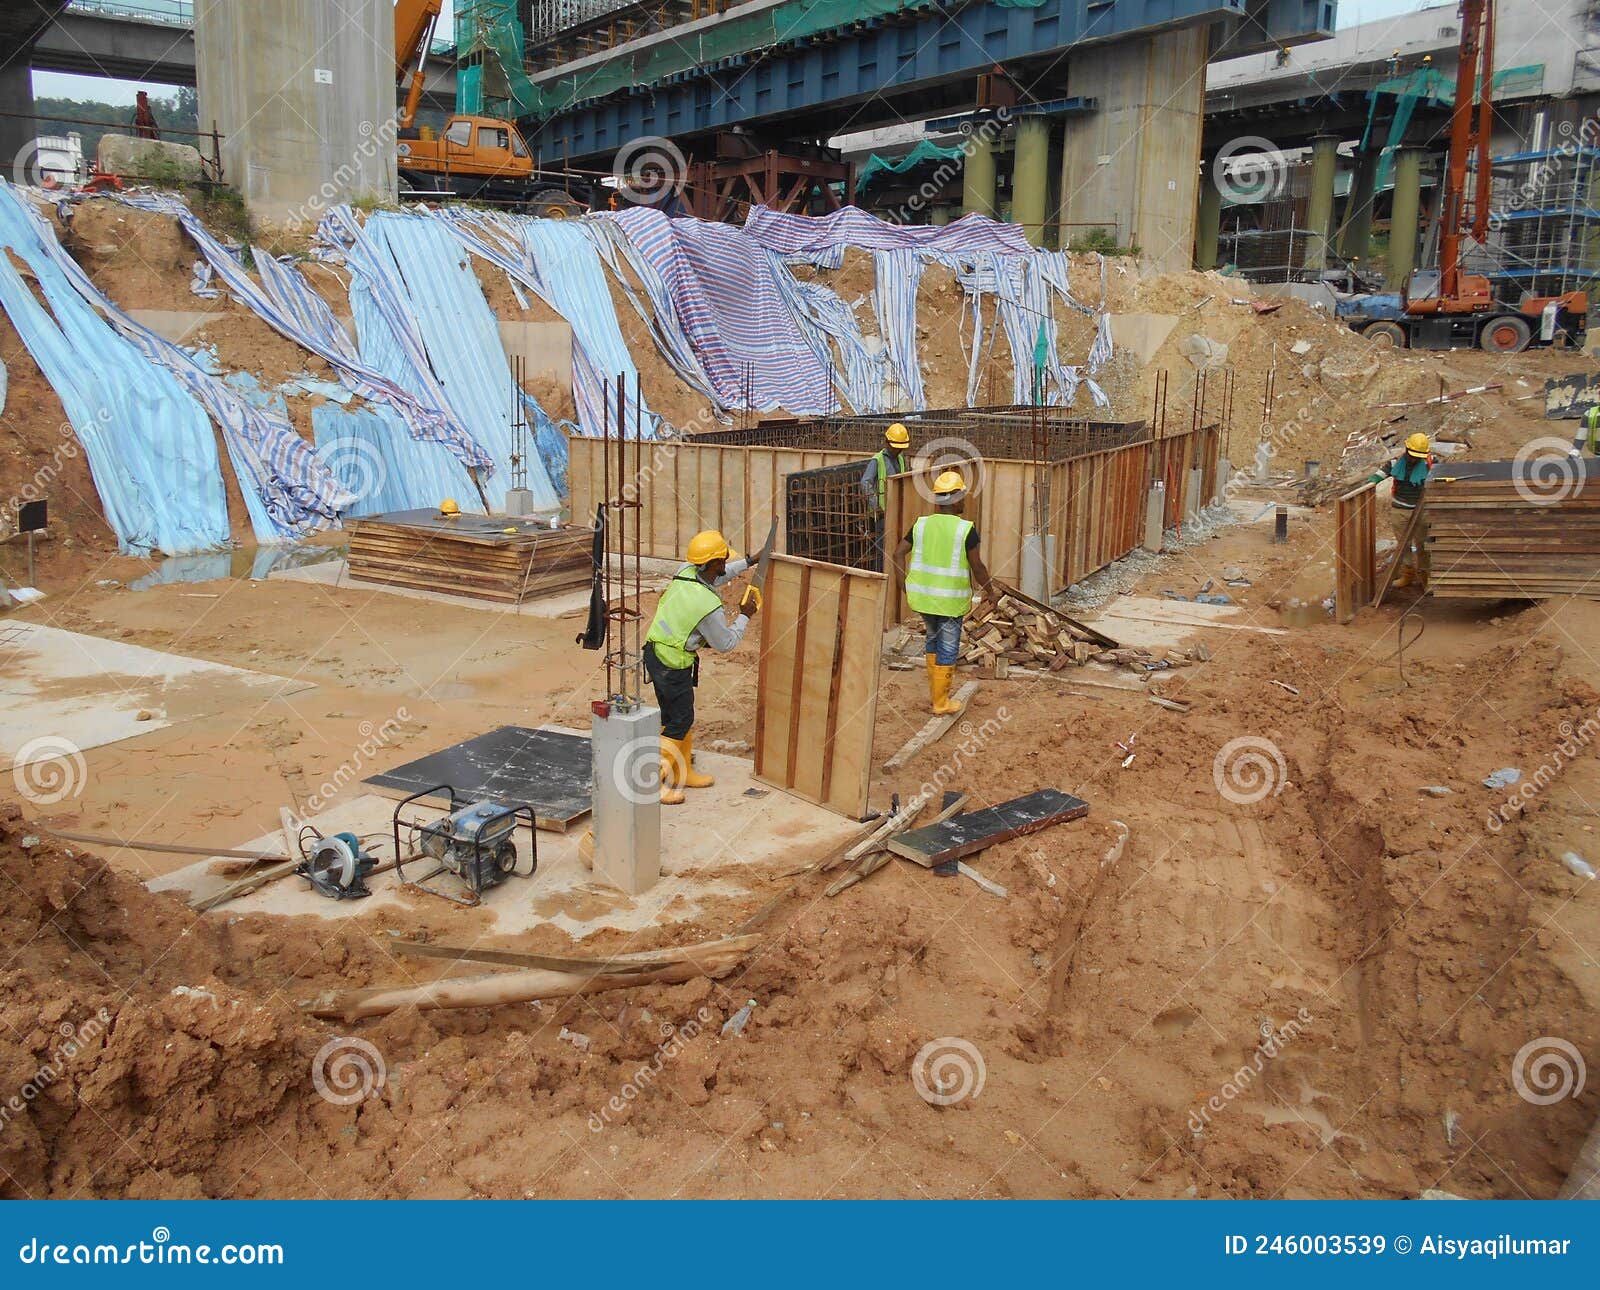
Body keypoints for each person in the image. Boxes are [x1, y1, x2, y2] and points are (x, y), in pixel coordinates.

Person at [643, 529, 763, 804]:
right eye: (723, 560)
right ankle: (652, 781)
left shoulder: (686, 570)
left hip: (657, 652)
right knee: (680, 720)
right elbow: (725, 644)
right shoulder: (708, 605)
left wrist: (748, 562)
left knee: (675, 718)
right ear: (714, 563)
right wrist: (745, 615)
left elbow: (719, 576)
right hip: (672, 663)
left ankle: (682, 771)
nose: (725, 564)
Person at [895, 469, 995, 715]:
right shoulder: (966, 529)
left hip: (924, 599)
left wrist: (903, 585)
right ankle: (941, 703)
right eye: (962, 496)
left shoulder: (921, 524)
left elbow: (897, 553)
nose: (964, 501)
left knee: (932, 640)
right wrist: (990, 592)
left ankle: (936, 696)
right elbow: (977, 566)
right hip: (949, 602)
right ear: (955, 498)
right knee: (948, 647)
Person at [1370, 432, 1432, 589]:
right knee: (1403, 544)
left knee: (1423, 544)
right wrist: (1371, 482)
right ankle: (1407, 574)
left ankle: (1426, 576)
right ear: (1407, 449)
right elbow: (1380, 475)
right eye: (1413, 455)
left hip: (1421, 510)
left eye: (1418, 456)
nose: (1415, 459)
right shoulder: (1395, 463)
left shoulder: (1430, 464)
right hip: (1400, 509)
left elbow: (1439, 477)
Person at [860, 423, 911, 565]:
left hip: (899, 510)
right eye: (895, 447)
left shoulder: (901, 458)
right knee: (883, 550)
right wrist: (876, 506)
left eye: (900, 447)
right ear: (887, 442)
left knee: (898, 545)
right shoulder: (877, 460)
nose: (898, 450)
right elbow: (865, 482)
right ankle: (881, 573)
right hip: (883, 514)